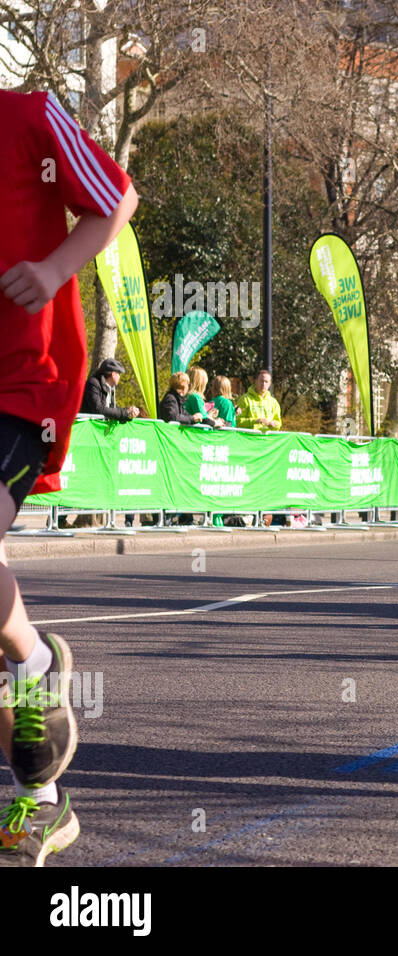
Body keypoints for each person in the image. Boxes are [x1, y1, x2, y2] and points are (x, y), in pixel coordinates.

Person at [0, 87, 138, 865]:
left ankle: (38, 662)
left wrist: (55, 270)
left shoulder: (27, 116)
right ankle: (39, 797)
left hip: (23, 383)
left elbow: (118, 195)